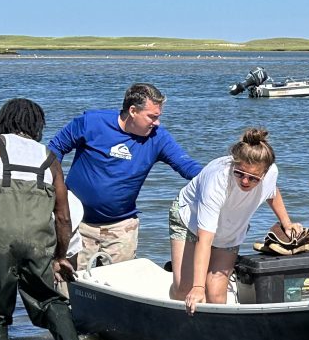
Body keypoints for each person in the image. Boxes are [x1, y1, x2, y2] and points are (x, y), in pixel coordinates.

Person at [48, 83, 203, 268]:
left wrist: (217, 177)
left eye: (158, 117)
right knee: (67, 285)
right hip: (76, 223)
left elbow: (186, 166)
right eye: (152, 117)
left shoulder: (158, 138)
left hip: (121, 228)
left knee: (116, 286)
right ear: (133, 111)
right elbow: (54, 149)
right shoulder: (91, 122)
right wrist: (55, 189)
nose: (157, 123)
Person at [0, 98, 82, 340]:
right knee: (49, 298)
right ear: (37, 125)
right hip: (39, 242)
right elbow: (62, 216)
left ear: (3, 119)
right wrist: (60, 256)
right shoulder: (49, 158)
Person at [169, 127, 299, 315]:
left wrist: (286, 223)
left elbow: (272, 192)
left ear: (265, 173)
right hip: (189, 220)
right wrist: (197, 287)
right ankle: (174, 298)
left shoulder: (271, 173)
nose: (245, 181)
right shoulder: (217, 179)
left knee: (215, 293)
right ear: (234, 164)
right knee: (185, 289)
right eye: (240, 173)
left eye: (253, 178)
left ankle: (214, 335)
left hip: (231, 228)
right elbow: (204, 240)